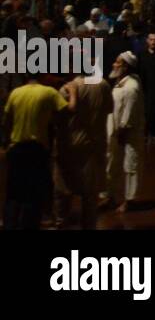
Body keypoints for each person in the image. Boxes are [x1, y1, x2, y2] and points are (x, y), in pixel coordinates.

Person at [2, 74, 69, 230]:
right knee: (34, 194)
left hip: (16, 147)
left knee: (13, 193)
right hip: (37, 149)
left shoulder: (16, 93)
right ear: (43, 75)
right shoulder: (49, 92)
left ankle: (9, 225)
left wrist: (7, 144)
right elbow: (66, 112)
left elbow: (6, 122)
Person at [54, 68, 111, 230]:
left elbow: (58, 117)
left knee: (63, 191)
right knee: (90, 195)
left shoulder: (67, 89)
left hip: (69, 146)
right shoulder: (104, 85)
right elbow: (108, 110)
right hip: (95, 146)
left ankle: (61, 223)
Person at [104, 51, 145, 212]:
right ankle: (109, 196)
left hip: (128, 133)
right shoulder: (120, 82)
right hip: (115, 132)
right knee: (111, 164)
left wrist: (122, 131)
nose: (114, 64)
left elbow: (128, 114)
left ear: (126, 66)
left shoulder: (131, 87)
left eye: (117, 62)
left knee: (130, 166)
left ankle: (130, 200)